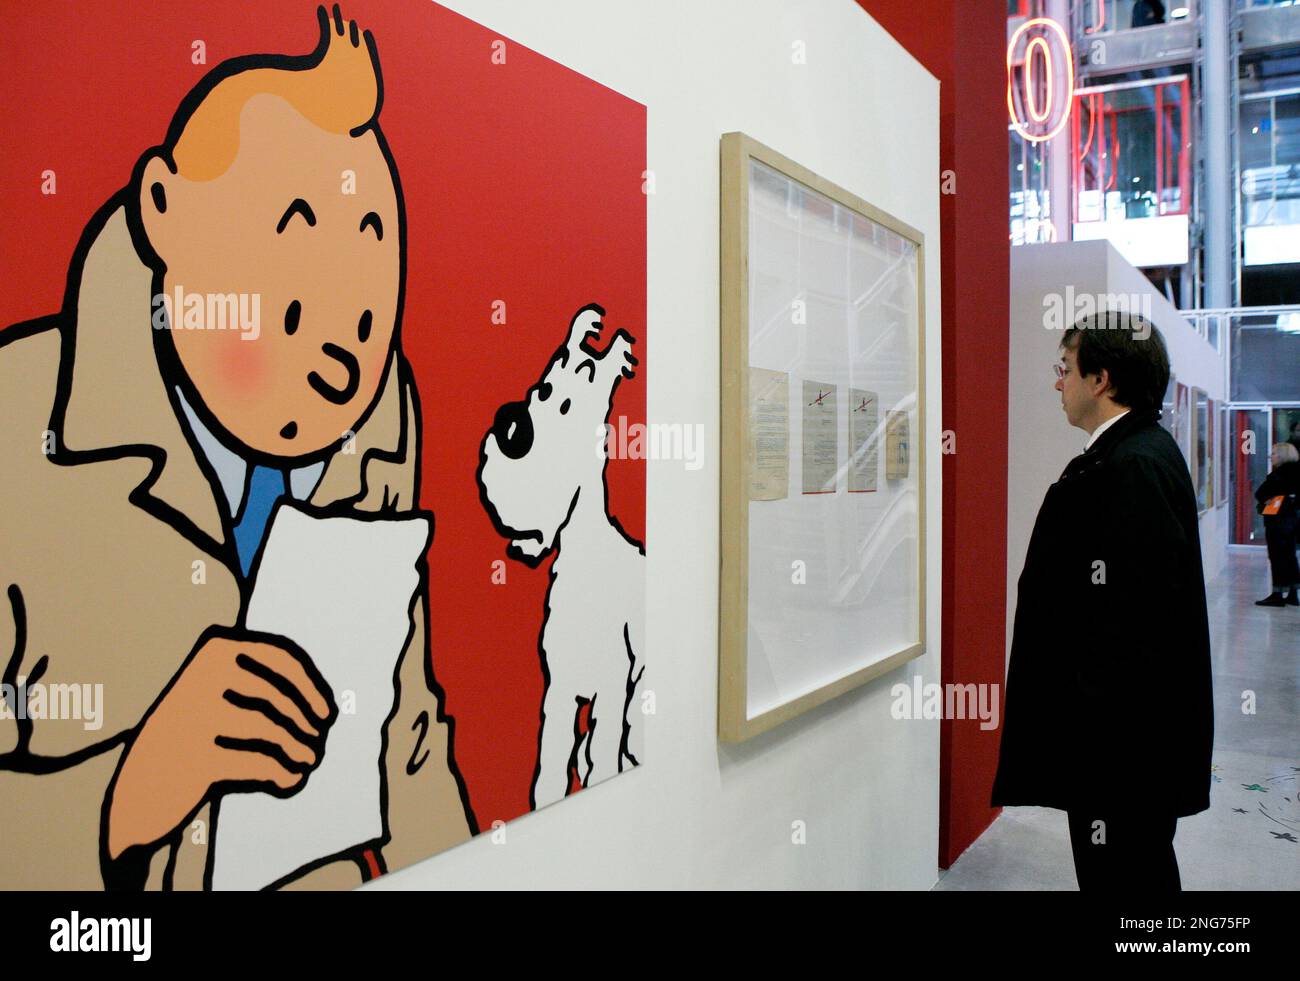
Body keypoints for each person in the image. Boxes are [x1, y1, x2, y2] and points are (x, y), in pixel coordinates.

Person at [0, 6, 473, 889]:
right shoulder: (19, 422)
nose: (342, 350)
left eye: (368, 304)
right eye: (294, 248)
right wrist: (134, 787)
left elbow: (404, 727)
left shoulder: (377, 435)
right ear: (164, 208)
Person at [991, 312, 1214, 891]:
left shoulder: (1132, 466)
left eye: (1065, 368)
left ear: (1102, 380)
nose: (1056, 382)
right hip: (1119, 746)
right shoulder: (1127, 455)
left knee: (1126, 880)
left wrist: (1089, 739)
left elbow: (1133, 629)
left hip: (1120, 752)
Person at [1253, 443, 1300, 607]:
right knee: (1290, 555)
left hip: (1277, 521)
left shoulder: (1278, 475)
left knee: (1277, 556)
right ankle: (1294, 593)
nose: (1270, 456)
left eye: (1273, 453)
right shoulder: (1297, 474)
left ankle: (1278, 593)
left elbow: (1260, 493)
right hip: (1293, 520)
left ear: (1282, 456)